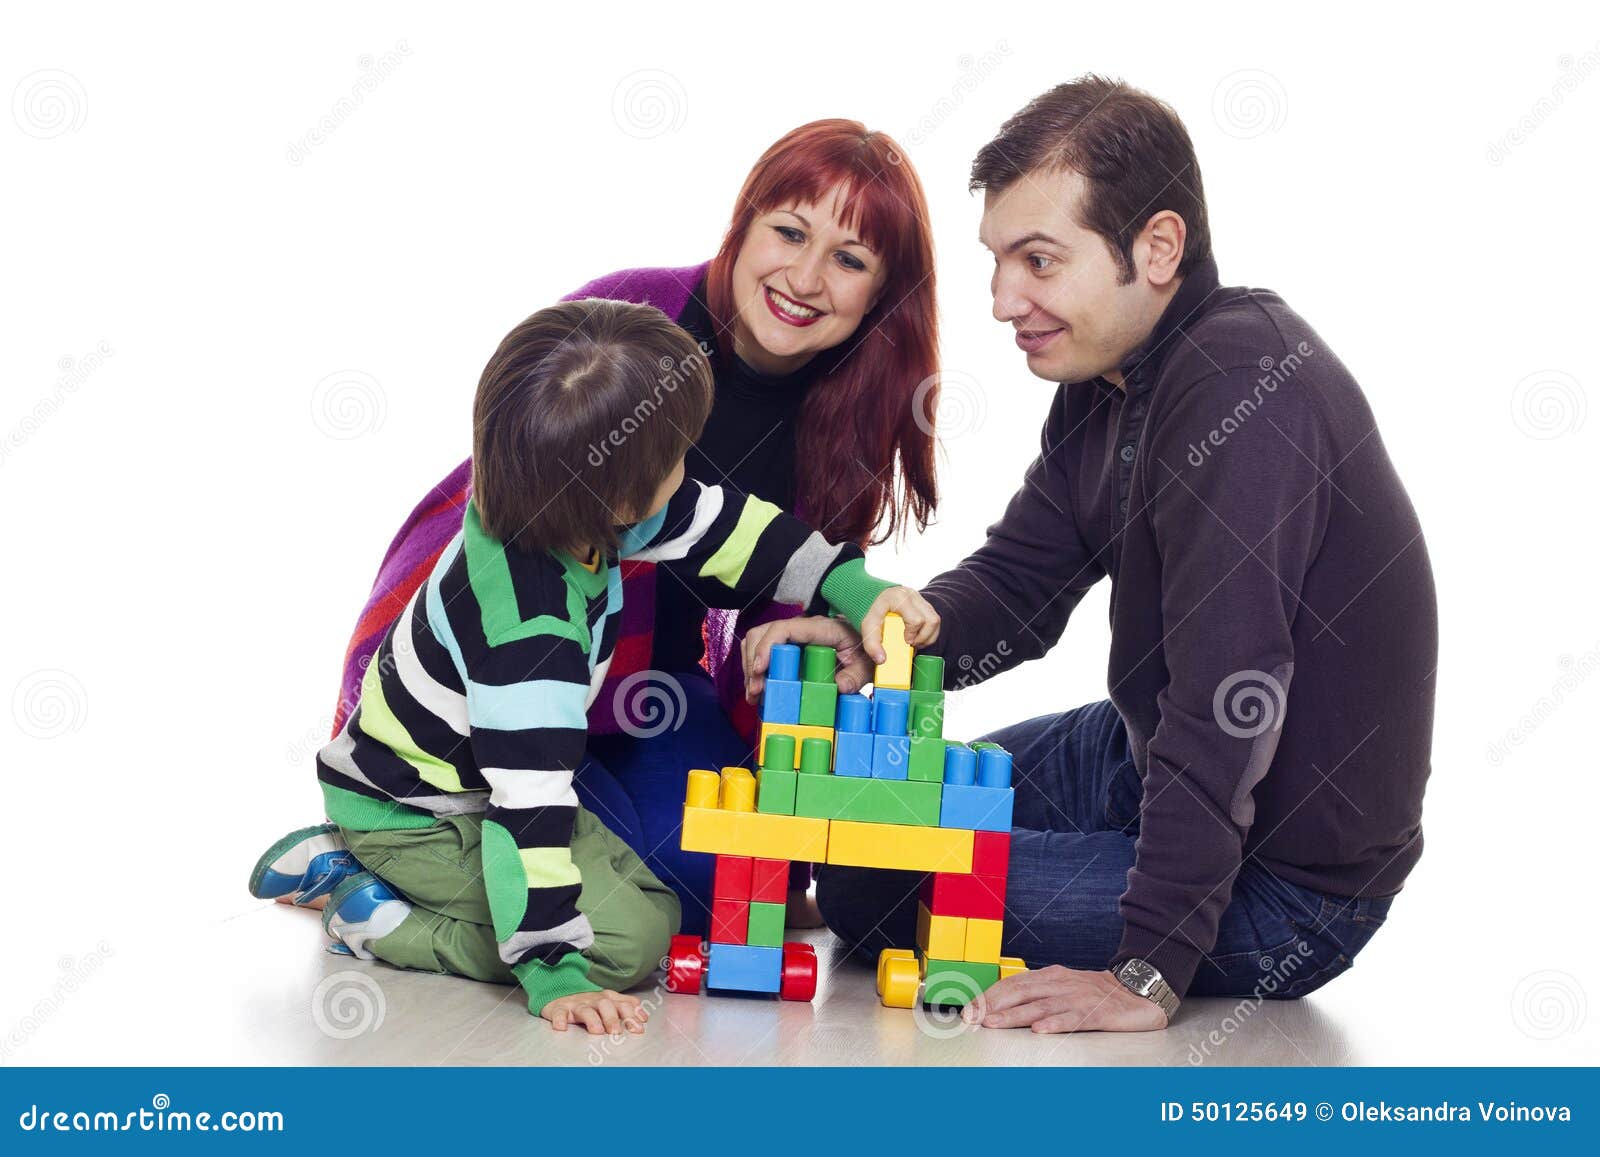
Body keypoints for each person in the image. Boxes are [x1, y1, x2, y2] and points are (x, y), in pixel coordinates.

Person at [745, 76, 1437, 1033]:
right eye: (997, 260)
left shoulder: (1243, 389)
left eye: (1038, 260)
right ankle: (1077, 867)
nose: (1001, 300)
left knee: (872, 891)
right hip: (1139, 756)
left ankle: (1139, 909)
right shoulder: (1110, 378)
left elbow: (1228, 699)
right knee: (868, 835)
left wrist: (1146, 968)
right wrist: (894, 636)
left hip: (1286, 882)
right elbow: (1023, 580)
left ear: (1157, 248)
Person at [254, 119, 940, 934]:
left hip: (653, 688)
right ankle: (383, 845)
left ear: (881, 292)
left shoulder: (852, 409)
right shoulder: (639, 316)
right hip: (522, 652)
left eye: (849, 258)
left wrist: (823, 615)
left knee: (720, 885)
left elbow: (776, 558)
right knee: (610, 891)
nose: (805, 276)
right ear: (744, 224)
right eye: (789, 231)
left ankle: (498, 853)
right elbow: (521, 496)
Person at [288, 298, 937, 1035]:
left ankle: (369, 878)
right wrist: (552, 969)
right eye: (679, 455)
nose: (688, 471)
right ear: (622, 496)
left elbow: (729, 526)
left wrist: (853, 588)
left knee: (660, 907)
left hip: (486, 782)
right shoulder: (531, 638)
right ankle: (370, 912)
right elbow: (525, 811)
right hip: (418, 813)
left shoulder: (562, 504)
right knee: (626, 947)